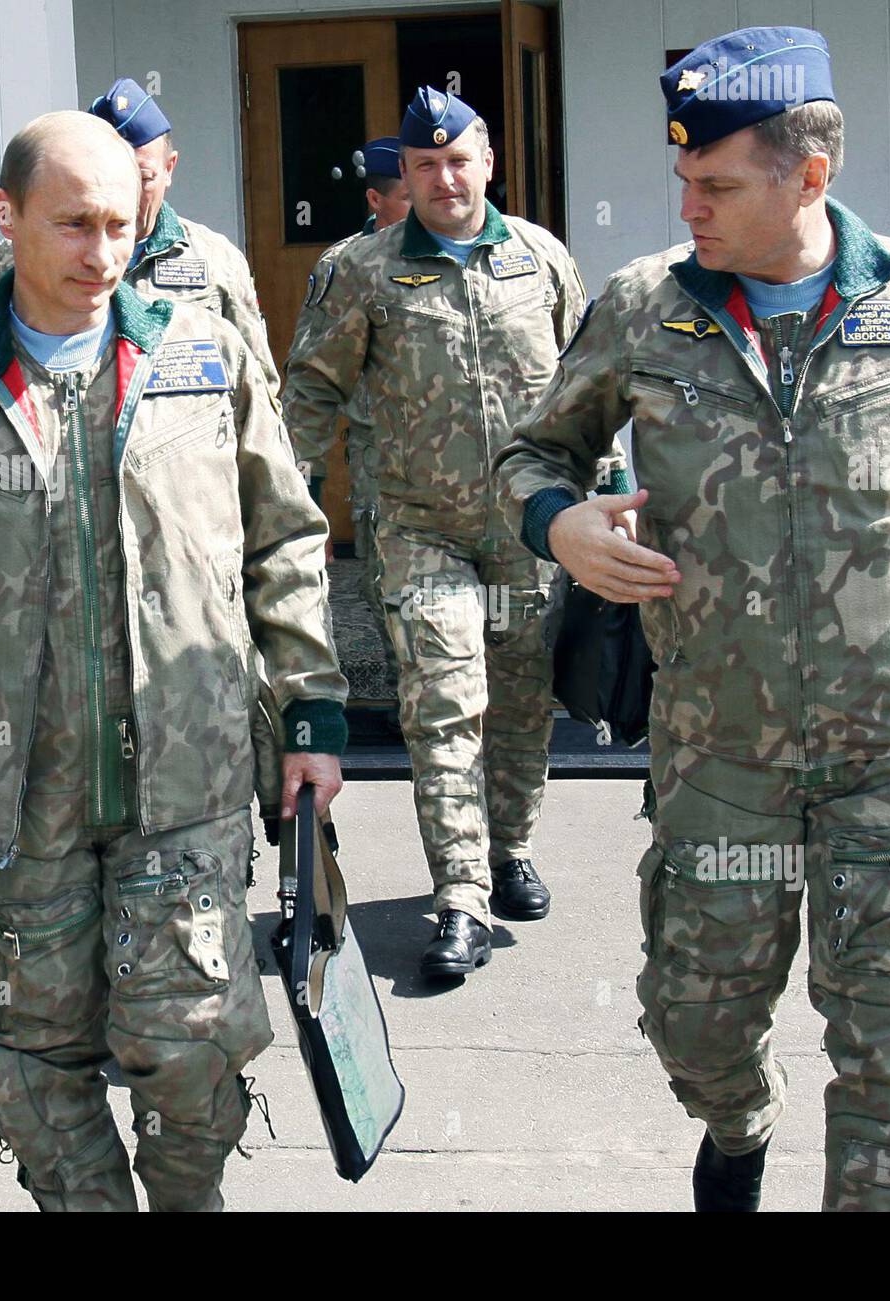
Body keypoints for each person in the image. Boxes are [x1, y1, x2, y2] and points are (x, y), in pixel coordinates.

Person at [494, 26, 890, 1211]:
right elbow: (528, 452)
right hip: (722, 757)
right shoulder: (645, 309)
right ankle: (738, 1121)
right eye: (684, 180)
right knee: (695, 1027)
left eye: (715, 185)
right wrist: (557, 524)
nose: (687, 205)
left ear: (808, 175)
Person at [0, 110, 348, 1212]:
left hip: (187, 784)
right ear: (6, 215)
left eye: (121, 224)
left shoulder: (201, 357)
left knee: (195, 1047)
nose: (103, 252)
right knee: (32, 1059)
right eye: (73, 224)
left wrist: (310, 714)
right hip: (15, 801)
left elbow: (285, 538)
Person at [284, 87, 630, 979]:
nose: (444, 178)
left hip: (530, 528)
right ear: (404, 174)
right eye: (425, 165)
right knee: (443, 702)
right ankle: (461, 896)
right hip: (417, 527)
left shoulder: (541, 260)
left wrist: (614, 490)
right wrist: (290, 505)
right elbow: (313, 388)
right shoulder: (362, 270)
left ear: (487, 163)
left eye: (458, 160)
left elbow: (588, 386)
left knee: (520, 700)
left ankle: (510, 847)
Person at [0, 77, 280, 398]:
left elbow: (257, 384)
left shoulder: (217, 260)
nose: (127, 194)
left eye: (142, 178)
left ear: (169, 168)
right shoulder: (18, 254)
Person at [288, 137, 411, 693]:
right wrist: (304, 501)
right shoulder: (346, 266)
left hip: (476, 467)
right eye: (407, 195)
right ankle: (407, 703)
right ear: (375, 200)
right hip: (381, 456)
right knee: (389, 588)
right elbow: (312, 384)